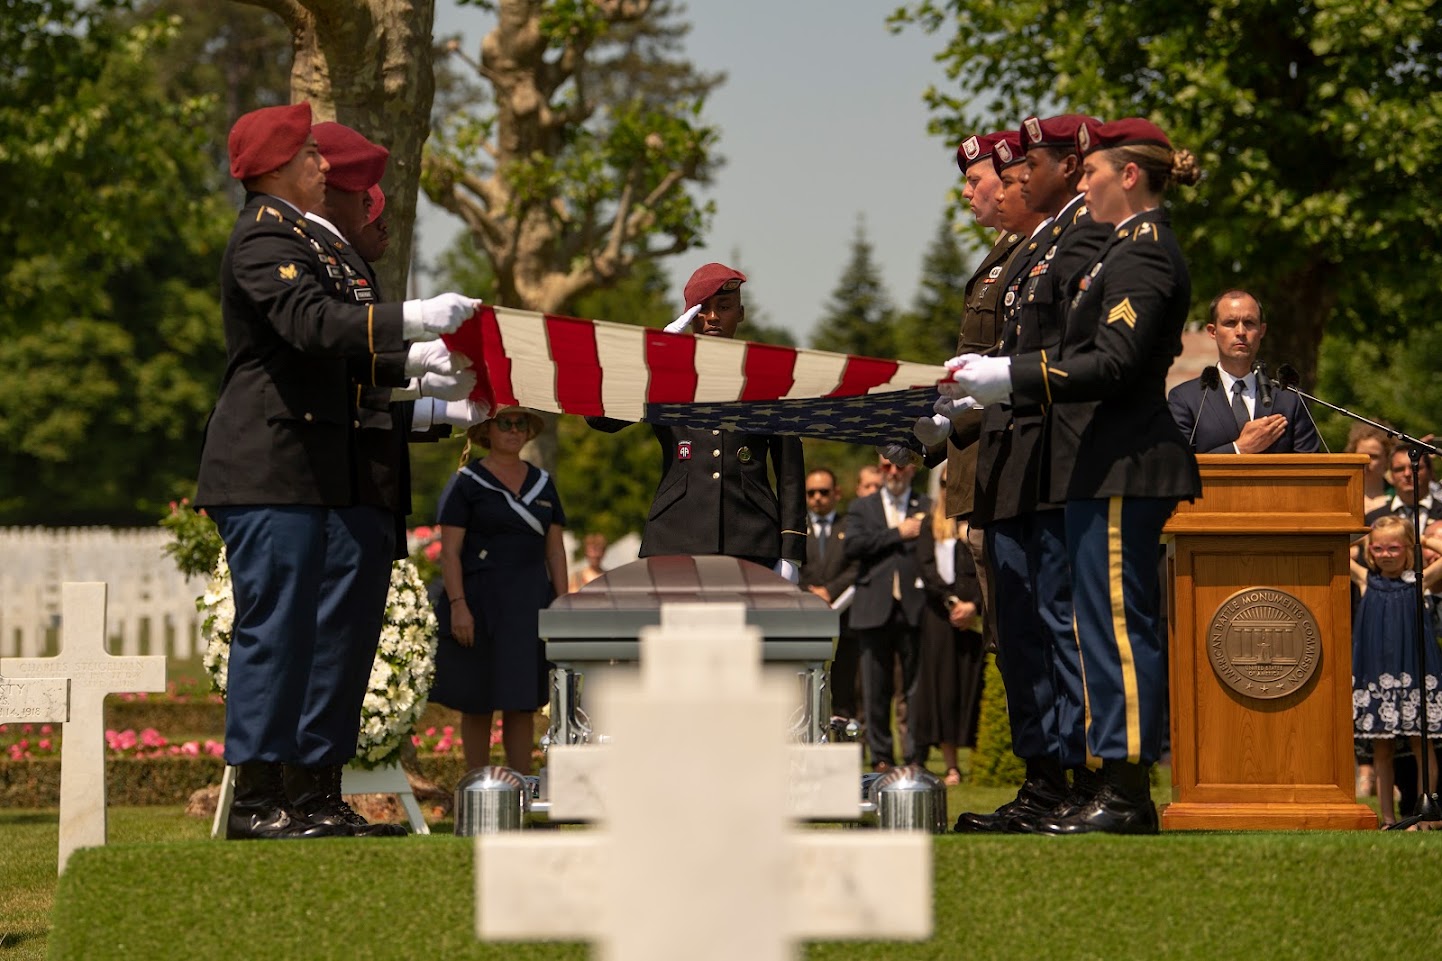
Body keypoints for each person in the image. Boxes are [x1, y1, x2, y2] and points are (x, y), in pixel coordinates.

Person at [195, 102, 479, 840]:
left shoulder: (316, 246)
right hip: (270, 466)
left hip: (317, 470)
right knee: (278, 631)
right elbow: (310, 326)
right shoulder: (263, 237)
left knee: (330, 639)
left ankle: (315, 792)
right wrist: (415, 324)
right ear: (278, 166)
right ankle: (258, 802)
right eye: (310, 153)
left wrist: (417, 370)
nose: (324, 163)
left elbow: (345, 352)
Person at [948, 116, 1203, 834]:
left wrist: (1012, 375)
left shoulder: (1143, 252)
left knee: (1117, 629)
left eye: (1091, 170)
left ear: (1127, 174)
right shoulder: (1117, 250)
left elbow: (1115, 363)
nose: (1079, 179)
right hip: (1098, 460)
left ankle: (1125, 789)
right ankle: (1111, 785)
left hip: (1125, 457)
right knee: (1099, 626)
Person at [276, 122, 473, 838]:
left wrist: (437, 404)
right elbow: (336, 366)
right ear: (352, 201)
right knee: (325, 645)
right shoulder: (314, 262)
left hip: (362, 483)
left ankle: (322, 792)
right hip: (331, 483)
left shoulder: (347, 268)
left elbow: (365, 394)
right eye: (372, 206)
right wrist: (417, 359)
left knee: (347, 649)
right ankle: (299, 792)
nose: (380, 223)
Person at [948, 116, 1108, 834]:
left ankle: (1076, 775)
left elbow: (1066, 355)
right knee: (1019, 631)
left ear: (1070, 167)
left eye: (1018, 173)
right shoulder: (1033, 249)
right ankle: (1044, 775)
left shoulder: (1081, 237)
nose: (1010, 186)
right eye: (1004, 176)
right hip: (1009, 460)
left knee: (1054, 625)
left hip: (1048, 460)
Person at [587, 264, 806, 576]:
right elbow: (598, 417)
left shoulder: (769, 378)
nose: (713, 318)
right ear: (688, 316)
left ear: (741, 313)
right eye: (702, 310)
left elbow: (789, 471)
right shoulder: (666, 377)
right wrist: (653, 358)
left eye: (725, 307)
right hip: (676, 533)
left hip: (751, 537)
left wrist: (791, 552)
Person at [433, 407, 568, 774]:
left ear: (528, 432)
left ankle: (521, 791)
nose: (512, 430)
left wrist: (562, 602)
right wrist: (459, 605)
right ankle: (477, 791)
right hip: (479, 600)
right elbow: (449, 552)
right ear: (486, 430)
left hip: (528, 601)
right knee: (478, 700)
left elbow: (554, 550)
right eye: (504, 423)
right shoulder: (466, 481)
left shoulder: (543, 482)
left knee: (521, 701)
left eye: (519, 423)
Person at [1350, 515, 1442, 827]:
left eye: (1394, 547)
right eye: (1379, 548)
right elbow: (1332, 549)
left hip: (1416, 673)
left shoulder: (1421, 580)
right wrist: (1363, 537)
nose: (1386, 554)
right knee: (1382, 749)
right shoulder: (1365, 580)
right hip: (1377, 676)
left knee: (1422, 744)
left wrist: (1423, 539)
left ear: (1407, 549)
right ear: (1370, 551)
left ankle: (1424, 815)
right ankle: (1389, 818)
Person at [844, 453, 930, 770]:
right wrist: (898, 533)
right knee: (874, 688)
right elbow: (852, 546)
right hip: (873, 605)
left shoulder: (926, 505)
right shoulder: (861, 507)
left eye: (900, 464)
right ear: (880, 469)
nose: (893, 472)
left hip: (914, 605)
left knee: (915, 689)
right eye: (887, 466)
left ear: (912, 468)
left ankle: (915, 755)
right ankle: (880, 755)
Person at [1166, 289, 1321, 453]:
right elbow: (1175, 467)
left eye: (1249, 323)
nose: (1240, 332)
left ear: (1261, 331)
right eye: (1230, 323)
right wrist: (1239, 448)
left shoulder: (1290, 399)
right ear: (1213, 331)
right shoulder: (1186, 399)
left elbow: (1313, 472)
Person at [911, 465, 985, 785]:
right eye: (944, 483)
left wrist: (974, 607)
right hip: (941, 620)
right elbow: (927, 571)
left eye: (955, 482)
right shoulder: (931, 524)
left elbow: (986, 572)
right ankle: (951, 765)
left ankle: (980, 759)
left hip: (974, 620)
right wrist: (953, 604)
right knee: (944, 691)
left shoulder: (977, 524)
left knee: (972, 687)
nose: (949, 488)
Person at [798, 468, 860, 723]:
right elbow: (791, 566)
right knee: (805, 691)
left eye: (823, 491)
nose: (817, 498)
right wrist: (811, 593)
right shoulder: (797, 529)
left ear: (836, 493)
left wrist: (830, 591)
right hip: (805, 620)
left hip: (844, 620)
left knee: (845, 690)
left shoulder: (850, 525)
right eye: (811, 493)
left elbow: (858, 565)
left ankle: (848, 746)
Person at [1365, 448, 1437, 528]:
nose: (1407, 474)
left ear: (1430, 472)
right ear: (1391, 475)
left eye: (1415, 467)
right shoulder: (1374, 519)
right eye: (1399, 469)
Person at [1347, 424, 1395, 517]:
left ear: (1387, 459)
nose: (1366, 461)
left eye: (1374, 456)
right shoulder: (1343, 497)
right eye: (1361, 455)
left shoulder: (1398, 497)